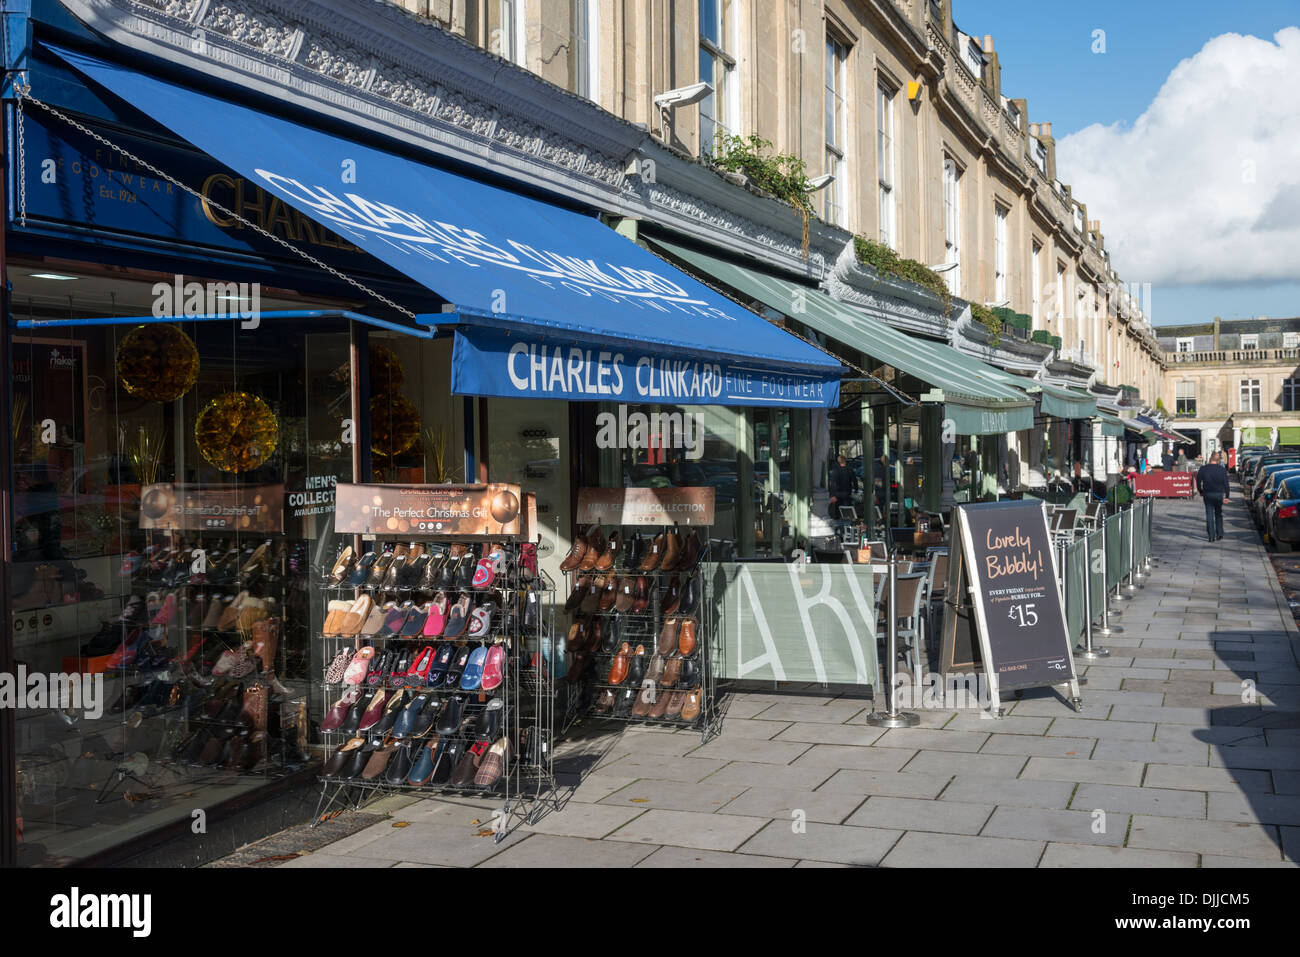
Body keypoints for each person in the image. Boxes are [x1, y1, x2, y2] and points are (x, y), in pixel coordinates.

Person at [1195, 451, 1230, 542]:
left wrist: (1200, 491)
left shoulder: (1203, 468)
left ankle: (1211, 536)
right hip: (1219, 494)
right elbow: (1226, 484)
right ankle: (1220, 534)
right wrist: (1227, 496)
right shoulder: (1222, 469)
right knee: (1218, 514)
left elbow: (1198, 481)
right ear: (1218, 460)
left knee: (1209, 514)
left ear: (1210, 459)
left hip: (1208, 493)